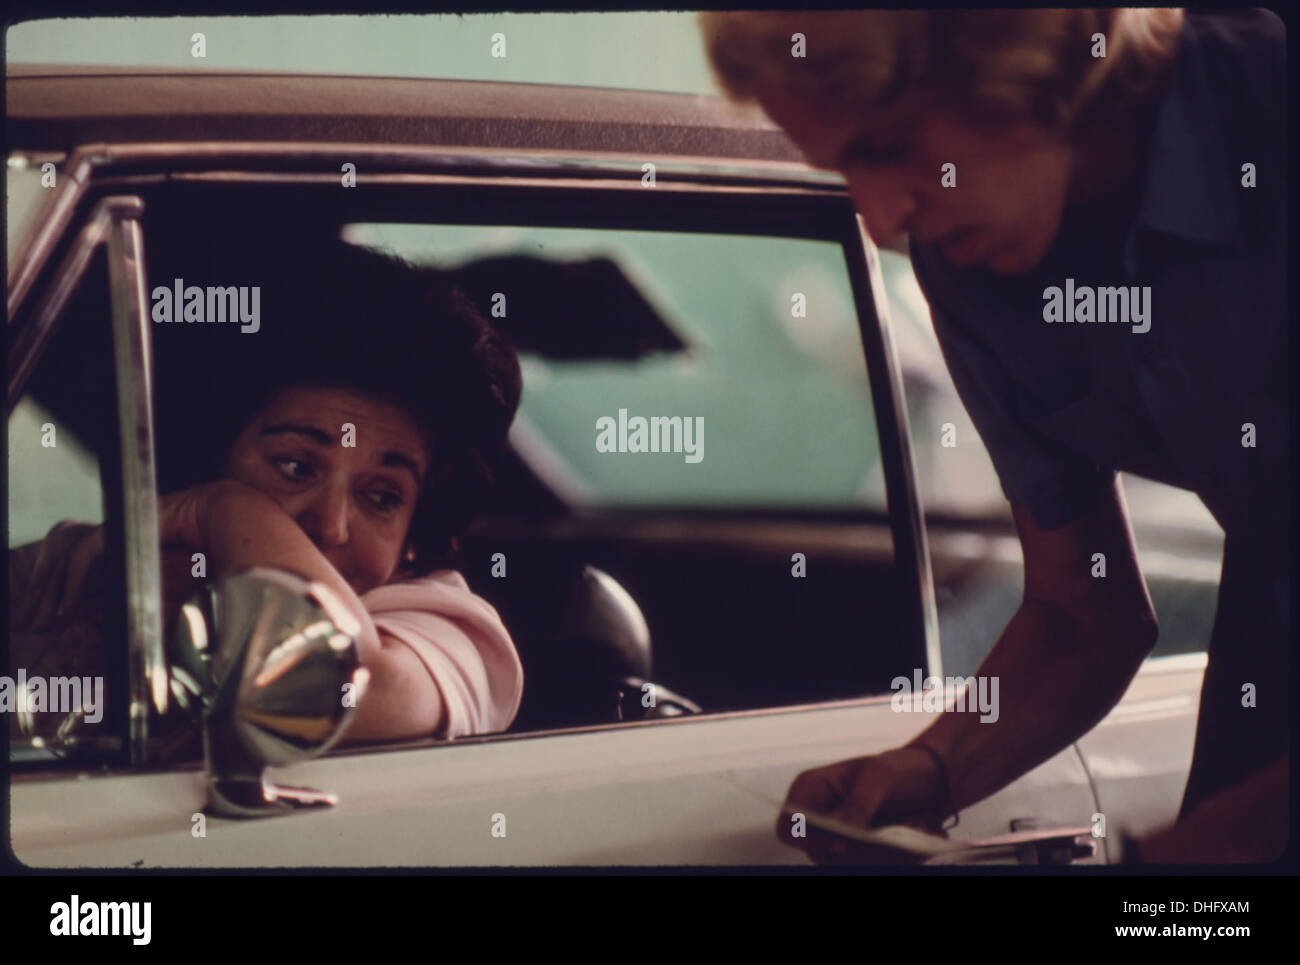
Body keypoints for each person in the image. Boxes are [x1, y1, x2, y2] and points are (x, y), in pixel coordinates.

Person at [700, 8, 1286, 862]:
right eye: (841, 170)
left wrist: (1226, 849)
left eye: (889, 146)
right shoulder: (975, 263)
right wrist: (930, 766)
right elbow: (1081, 610)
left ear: (1014, 55)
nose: (879, 219)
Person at [9, 239, 524, 744]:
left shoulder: (444, 631)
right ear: (215, 455)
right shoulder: (98, 560)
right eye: (295, 467)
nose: (331, 526)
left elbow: (327, 687)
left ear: (415, 530)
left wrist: (229, 507)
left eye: (383, 497)